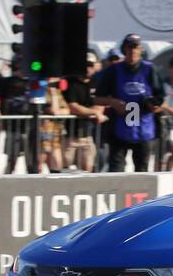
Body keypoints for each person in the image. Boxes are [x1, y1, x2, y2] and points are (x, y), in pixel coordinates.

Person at [94, 33, 163, 172]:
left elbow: (160, 98)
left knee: (142, 173)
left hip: (143, 131)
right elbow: (97, 98)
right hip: (119, 131)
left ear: (141, 50)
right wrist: (113, 102)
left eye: (136, 47)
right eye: (130, 47)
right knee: (116, 172)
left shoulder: (150, 69)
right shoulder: (113, 71)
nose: (133, 51)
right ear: (124, 49)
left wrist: (153, 105)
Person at [63, 53, 104, 173]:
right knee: (65, 170)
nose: (87, 68)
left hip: (88, 136)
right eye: (85, 65)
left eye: (90, 65)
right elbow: (73, 107)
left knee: (88, 170)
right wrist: (93, 112)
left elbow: (100, 104)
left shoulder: (97, 83)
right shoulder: (70, 83)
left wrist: (93, 111)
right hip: (69, 136)